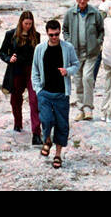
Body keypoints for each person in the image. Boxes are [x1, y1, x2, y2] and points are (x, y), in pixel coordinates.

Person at [31, 19, 79, 169]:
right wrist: (38, 90)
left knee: (61, 125)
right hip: (45, 92)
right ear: (47, 33)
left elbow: (76, 64)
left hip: (61, 93)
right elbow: (35, 70)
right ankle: (47, 140)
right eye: (51, 35)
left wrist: (68, 71)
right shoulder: (39, 49)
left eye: (57, 34)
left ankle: (57, 155)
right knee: (46, 119)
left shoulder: (68, 47)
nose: (54, 37)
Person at [0, 11, 42, 143]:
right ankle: (18, 122)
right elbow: (2, 51)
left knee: (34, 100)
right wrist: (8, 58)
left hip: (31, 70)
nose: (28, 26)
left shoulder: (36, 36)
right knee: (15, 98)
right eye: (26, 24)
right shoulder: (11, 35)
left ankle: (36, 133)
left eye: (30, 24)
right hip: (16, 69)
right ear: (21, 22)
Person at [62, 0, 104, 121]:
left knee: (87, 79)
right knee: (78, 81)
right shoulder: (70, 13)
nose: (82, 1)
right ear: (76, 0)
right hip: (75, 53)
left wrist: (98, 42)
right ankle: (81, 109)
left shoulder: (95, 13)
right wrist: (68, 42)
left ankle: (88, 108)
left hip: (91, 53)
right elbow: (65, 29)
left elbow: (101, 31)